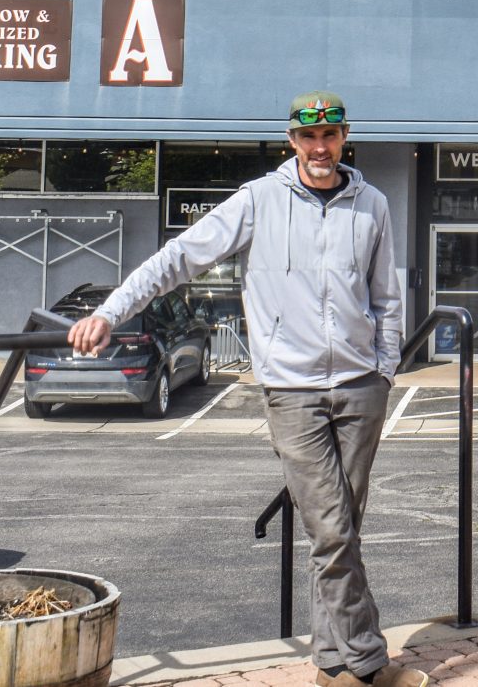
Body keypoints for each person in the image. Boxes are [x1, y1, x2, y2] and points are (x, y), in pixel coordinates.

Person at [68, 91, 427, 687]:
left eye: (330, 136)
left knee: (338, 531)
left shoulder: (373, 205)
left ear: (344, 138)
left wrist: (385, 369)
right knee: (332, 529)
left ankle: (330, 664)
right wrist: (111, 311)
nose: (320, 147)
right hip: (292, 392)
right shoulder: (259, 200)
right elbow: (178, 257)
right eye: (308, 137)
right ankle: (368, 665)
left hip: (361, 387)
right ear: (292, 140)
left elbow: (386, 297)